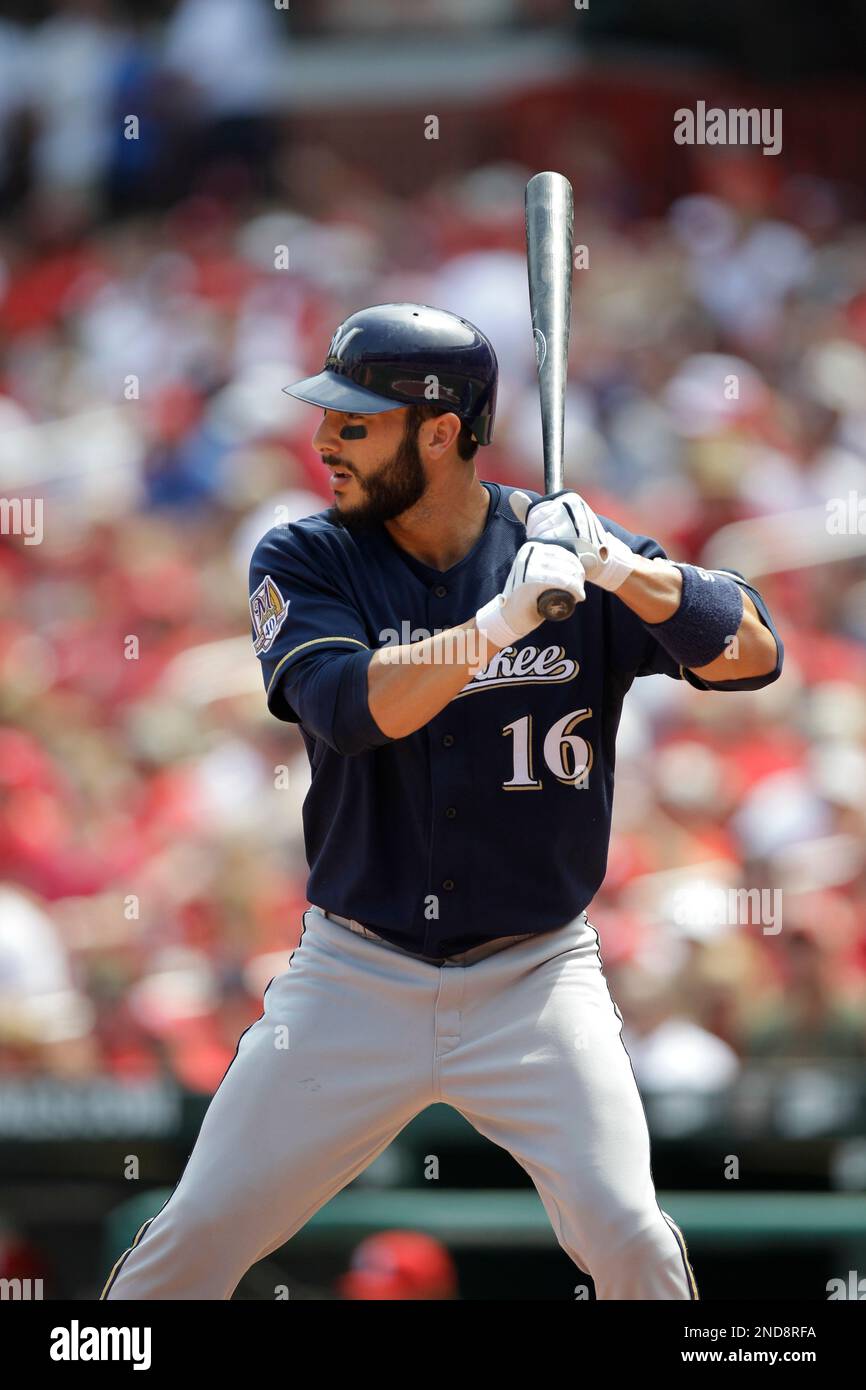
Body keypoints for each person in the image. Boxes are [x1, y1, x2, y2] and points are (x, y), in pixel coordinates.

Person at [102, 302, 783, 1300]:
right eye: (327, 417)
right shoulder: (305, 556)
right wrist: (503, 616)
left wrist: (623, 570)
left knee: (630, 1238)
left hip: (536, 977)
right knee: (191, 1242)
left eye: (354, 421)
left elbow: (750, 655)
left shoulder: (566, 550)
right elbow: (349, 707)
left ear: (437, 431)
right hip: (353, 975)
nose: (324, 439)